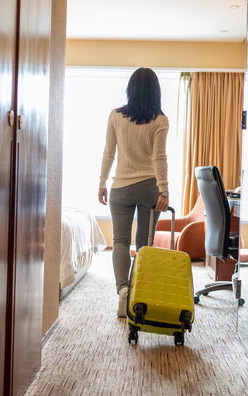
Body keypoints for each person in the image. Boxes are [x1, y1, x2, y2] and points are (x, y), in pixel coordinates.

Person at [98, 67, 170, 318]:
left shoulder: (115, 116)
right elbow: (159, 157)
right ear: (155, 91)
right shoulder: (160, 120)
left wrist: (102, 182)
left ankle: (122, 291)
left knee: (119, 241)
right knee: (144, 246)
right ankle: (139, 295)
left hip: (120, 188)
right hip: (149, 188)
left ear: (130, 90)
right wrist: (164, 190)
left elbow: (109, 153)